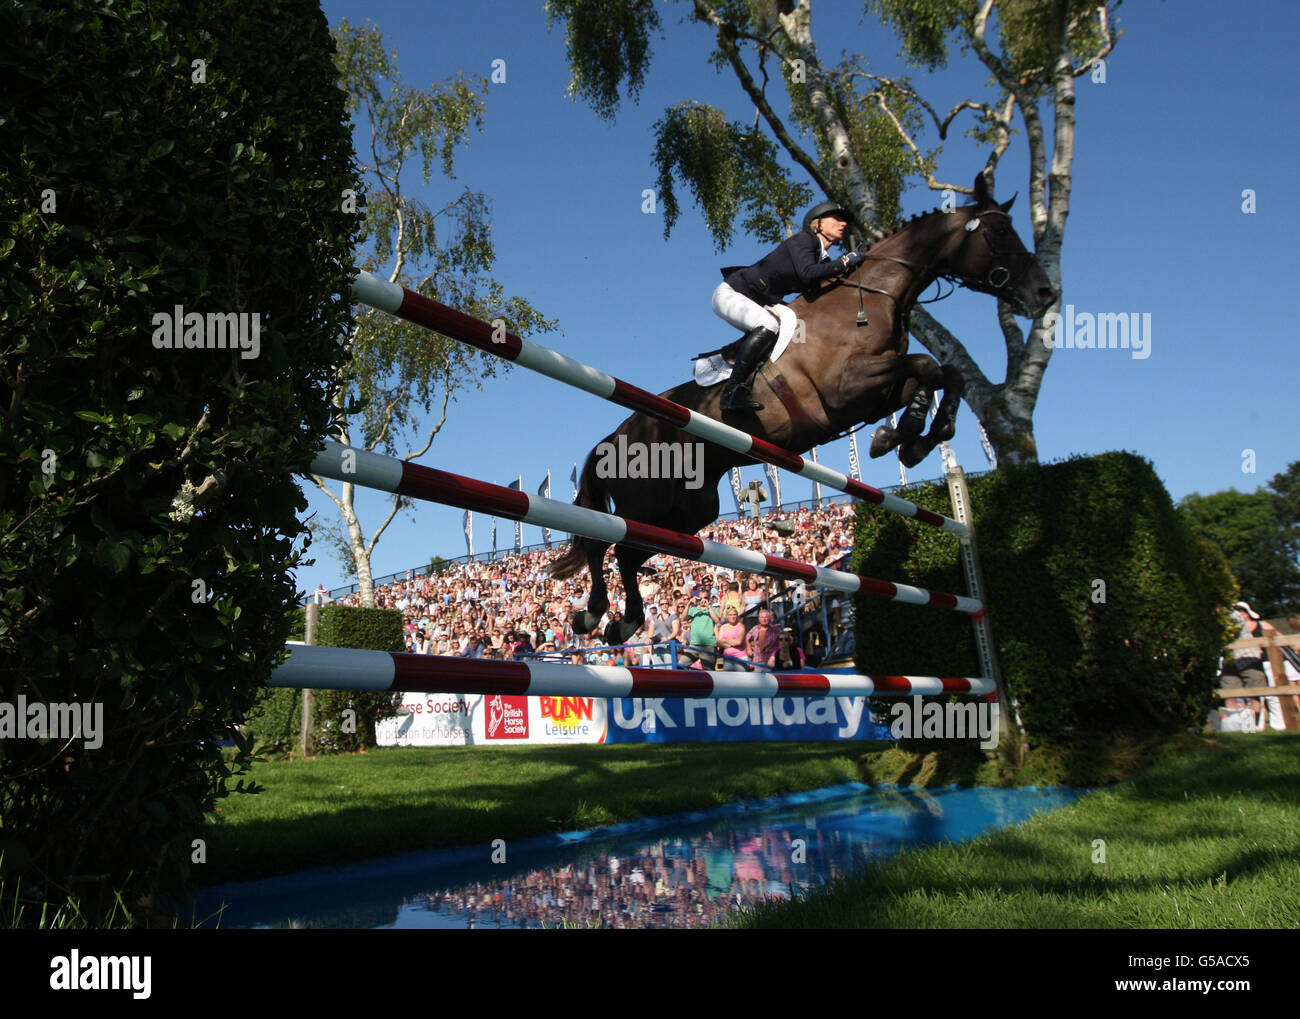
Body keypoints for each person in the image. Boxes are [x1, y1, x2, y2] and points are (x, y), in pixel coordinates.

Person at [711, 201, 864, 411]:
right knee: (768, 325)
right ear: (817, 224)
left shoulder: (821, 258)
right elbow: (807, 273)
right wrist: (845, 262)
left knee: (799, 328)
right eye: (837, 218)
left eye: (844, 220)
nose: (844, 224)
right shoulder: (804, 240)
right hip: (732, 294)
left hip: (760, 301)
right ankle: (732, 392)